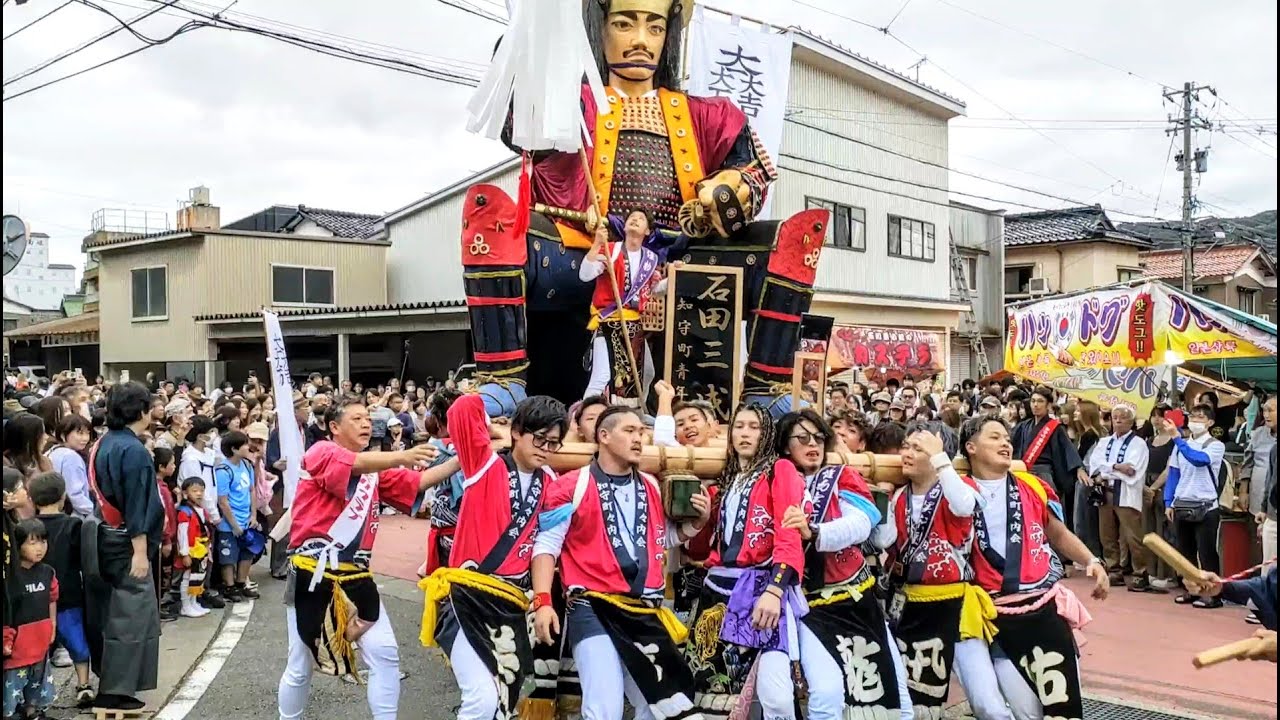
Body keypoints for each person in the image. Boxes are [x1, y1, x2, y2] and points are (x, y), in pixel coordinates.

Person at [532, 405, 711, 720]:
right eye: (629, 431)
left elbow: (661, 539)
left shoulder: (651, 486)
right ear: (603, 436)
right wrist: (544, 601)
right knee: (605, 707)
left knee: (666, 708)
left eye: (641, 431)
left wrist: (697, 524)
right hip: (592, 607)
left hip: (643, 610)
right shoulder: (572, 486)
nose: (639, 438)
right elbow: (547, 544)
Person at [277, 399, 448, 720]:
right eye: (356, 418)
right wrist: (402, 456)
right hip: (314, 573)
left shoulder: (374, 471)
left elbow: (418, 483)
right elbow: (353, 464)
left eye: (368, 418)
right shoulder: (320, 452)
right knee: (301, 664)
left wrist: (466, 462)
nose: (366, 423)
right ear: (333, 427)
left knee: (385, 654)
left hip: (355, 577)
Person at [421, 393, 565, 720]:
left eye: (553, 443)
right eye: (538, 438)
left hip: (513, 604)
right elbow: (461, 408)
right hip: (467, 597)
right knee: (482, 698)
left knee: (507, 703)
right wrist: (495, 417)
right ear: (517, 432)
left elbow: (546, 547)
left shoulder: (552, 483)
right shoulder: (484, 463)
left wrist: (543, 599)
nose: (545, 448)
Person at [954, 416, 1108, 720]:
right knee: (1027, 711)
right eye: (994, 437)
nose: (1005, 444)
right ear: (970, 447)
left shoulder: (1032, 486)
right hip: (995, 616)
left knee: (1064, 708)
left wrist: (1092, 561)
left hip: (1044, 609)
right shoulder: (957, 493)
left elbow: (1058, 533)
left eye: (1007, 438)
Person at [776, 409, 911, 719]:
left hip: (854, 597)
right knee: (826, 693)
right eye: (802, 438)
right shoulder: (775, 482)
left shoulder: (841, 476)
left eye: (819, 437)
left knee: (895, 691)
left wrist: (815, 531)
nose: (813, 444)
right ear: (785, 446)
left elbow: (861, 524)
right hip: (805, 606)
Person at [681, 402, 806, 718]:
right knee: (711, 690)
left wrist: (776, 590)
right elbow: (696, 551)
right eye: (739, 426)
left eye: (755, 427)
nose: (746, 433)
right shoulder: (724, 479)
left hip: (761, 588)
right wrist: (703, 519)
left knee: (775, 694)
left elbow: (788, 534)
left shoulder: (780, 470)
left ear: (767, 434)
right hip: (716, 592)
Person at [885, 423, 989, 719]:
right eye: (906, 446)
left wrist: (940, 460)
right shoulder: (899, 496)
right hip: (907, 604)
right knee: (913, 697)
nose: (907, 453)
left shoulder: (961, 488)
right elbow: (884, 541)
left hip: (953, 606)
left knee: (986, 702)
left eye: (918, 448)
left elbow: (964, 506)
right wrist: (878, 503)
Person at [84, 381, 164, 713]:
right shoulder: (133, 451)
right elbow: (137, 505)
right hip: (126, 540)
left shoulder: (103, 442)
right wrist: (141, 552)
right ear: (141, 411)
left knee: (107, 613)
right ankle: (115, 690)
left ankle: (110, 682)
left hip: (101, 533)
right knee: (132, 616)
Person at [29, 473, 95, 706]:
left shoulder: (27, 527)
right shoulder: (73, 525)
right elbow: (83, 560)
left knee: (36, 649)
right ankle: (83, 684)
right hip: (69, 593)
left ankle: (32, 694)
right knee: (77, 641)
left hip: (34, 598)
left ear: (33, 499)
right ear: (62, 496)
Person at [1163, 404, 1227, 609]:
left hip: (1206, 506)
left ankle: (1213, 594)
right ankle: (1191, 590)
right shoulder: (1180, 444)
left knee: (1206, 551)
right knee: (1185, 552)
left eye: (1201, 418)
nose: (1196, 421)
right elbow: (1173, 473)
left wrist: (1177, 439)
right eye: (1193, 417)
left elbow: (1199, 460)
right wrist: (1168, 501)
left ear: (1210, 422)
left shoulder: (1215, 445)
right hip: (1182, 503)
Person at [1088, 406, 1153, 591]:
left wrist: (1108, 469)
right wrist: (1117, 467)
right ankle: (1113, 569)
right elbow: (1095, 465)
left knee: (1133, 534)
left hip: (1126, 492)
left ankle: (1140, 572)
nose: (1117, 420)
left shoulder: (1138, 443)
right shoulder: (1104, 441)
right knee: (1106, 533)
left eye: (1122, 418)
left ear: (1131, 422)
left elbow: (1132, 470)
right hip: (1105, 492)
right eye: (1114, 417)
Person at [1011, 386, 1090, 539]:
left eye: (1040, 401)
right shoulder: (1023, 426)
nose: (1035, 405)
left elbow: (1068, 450)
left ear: (1048, 405)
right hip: (1024, 473)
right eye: (1033, 401)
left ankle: (1058, 550)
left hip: (1044, 473)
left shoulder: (1055, 427)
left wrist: (1079, 468)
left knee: (1050, 512)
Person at [3, 518, 59, 720]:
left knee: (38, 679)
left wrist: (53, 624)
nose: (40, 548)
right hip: (17, 643)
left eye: (43, 541)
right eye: (32, 542)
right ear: (18, 545)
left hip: (40, 638)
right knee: (14, 683)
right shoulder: (10, 576)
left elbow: (52, 599)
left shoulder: (47, 572)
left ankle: (33, 712)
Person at [214, 430, 261, 602]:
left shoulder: (247, 466)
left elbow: (252, 491)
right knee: (228, 555)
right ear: (234, 449)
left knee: (247, 552)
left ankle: (241, 583)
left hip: (246, 518)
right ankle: (229, 586)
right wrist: (233, 524)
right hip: (229, 523)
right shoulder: (223, 470)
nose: (248, 447)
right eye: (244, 444)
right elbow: (223, 501)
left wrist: (253, 515)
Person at [1244, 397, 1277, 561]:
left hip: (1273, 503)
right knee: (1258, 541)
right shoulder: (1257, 434)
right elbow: (1247, 463)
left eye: (1271, 410)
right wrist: (1243, 491)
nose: (1266, 414)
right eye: (1264, 410)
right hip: (1258, 497)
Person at [46, 414, 96, 518]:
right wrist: (94, 512)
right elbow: (74, 494)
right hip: (74, 516)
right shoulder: (70, 457)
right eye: (80, 433)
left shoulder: (52, 451)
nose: (85, 438)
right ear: (64, 435)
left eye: (87, 433)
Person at [174, 477, 211, 619]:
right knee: (187, 577)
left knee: (197, 577)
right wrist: (184, 553)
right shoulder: (185, 511)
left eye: (201, 490)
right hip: (191, 549)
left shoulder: (201, 509)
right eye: (194, 491)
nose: (199, 494)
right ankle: (186, 605)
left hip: (201, 548)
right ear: (185, 493)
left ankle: (193, 602)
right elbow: (182, 533)